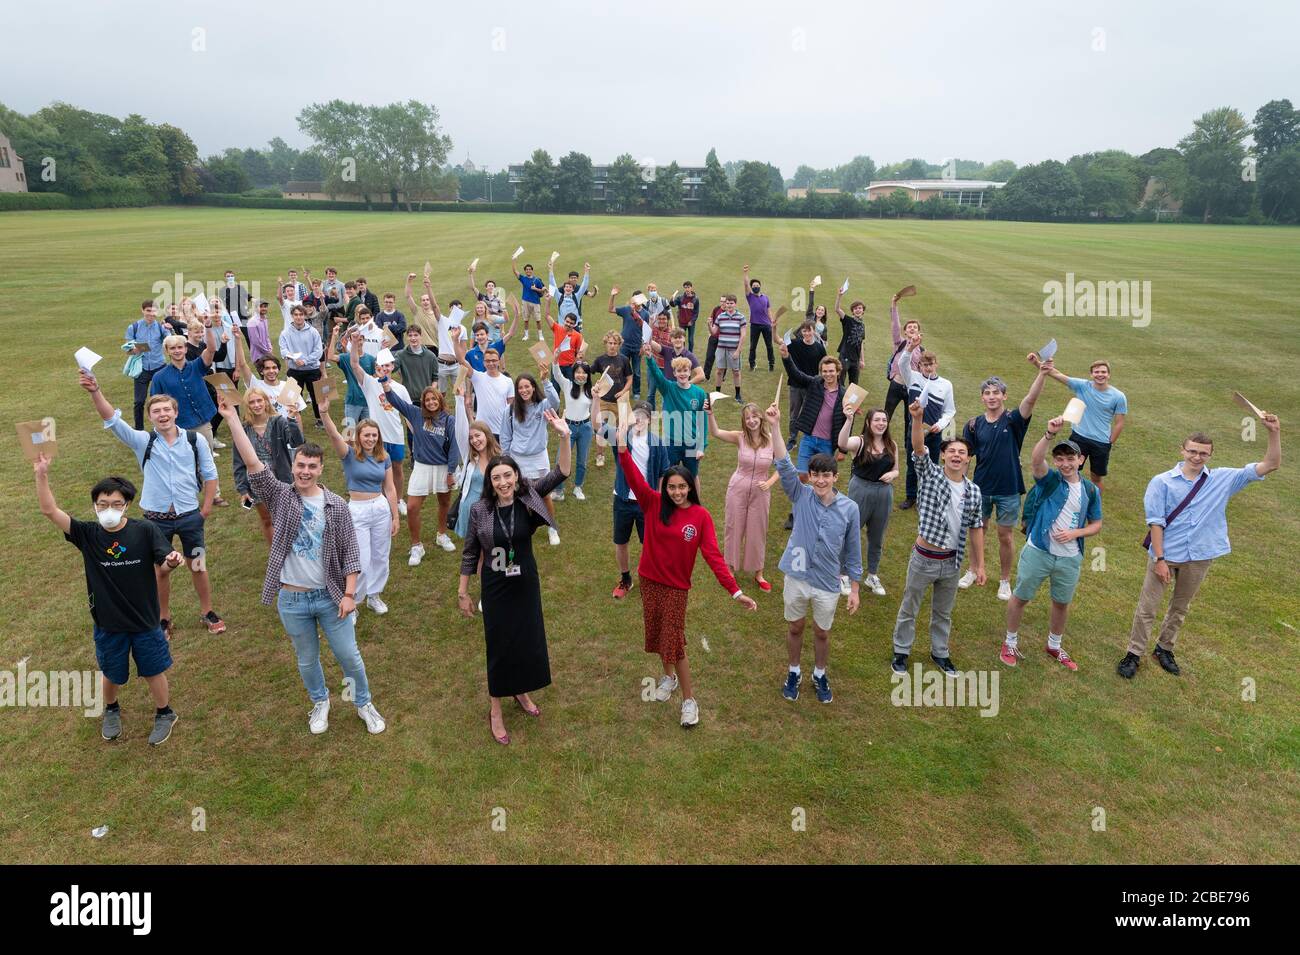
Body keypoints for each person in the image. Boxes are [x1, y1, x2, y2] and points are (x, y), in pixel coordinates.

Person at [216, 396, 386, 736]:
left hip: (331, 598)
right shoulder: (280, 496)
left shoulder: (336, 506)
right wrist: (233, 419)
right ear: (292, 467)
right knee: (307, 660)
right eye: (300, 466)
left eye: (312, 467)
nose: (305, 472)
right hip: (292, 601)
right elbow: (252, 463)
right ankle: (320, 701)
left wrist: (350, 595)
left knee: (348, 657)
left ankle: (362, 703)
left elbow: (351, 554)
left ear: (321, 469)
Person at [1117, 415, 1281, 679]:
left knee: (1180, 608)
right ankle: (1133, 654)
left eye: (1203, 453)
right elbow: (1156, 524)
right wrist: (1159, 559)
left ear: (1210, 454)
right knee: (1148, 607)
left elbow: (1271, 464)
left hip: (1200, 556)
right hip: (1166, 555)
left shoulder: (1224, 479)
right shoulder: (1162, 482)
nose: (1196, 457)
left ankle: (1164, 648)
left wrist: (1273, 432)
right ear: (1182, 451)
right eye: (1192, 451)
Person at [35, 459, 185, 745]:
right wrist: (41, 475)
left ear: (127, 504)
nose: (109, 510)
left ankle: (165, 713)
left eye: (116, 504)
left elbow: (163, 565)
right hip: (108, 622)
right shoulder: (88, 535)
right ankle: (111, 709)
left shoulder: (145, 531)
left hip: (144, 620)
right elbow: (48, 510)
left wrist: (170, 562)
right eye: (102, 504)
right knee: (111, 672)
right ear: (94, 505)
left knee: (154, 669)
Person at [617, 425, 758, 728]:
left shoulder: (700, 516)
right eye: (672, 487)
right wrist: (620, 445)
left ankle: (689, 701)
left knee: (675, 643)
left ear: (691, 487)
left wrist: (735, 591)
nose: (677, 492)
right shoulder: (652, 502)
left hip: (676, 589)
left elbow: (713, 557)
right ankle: (667, 678)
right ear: (665, 488)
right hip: (650, 582)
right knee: (656, 634)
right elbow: (630, 472)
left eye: (683, 487)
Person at [81, 372, 226, 637]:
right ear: (150, 417)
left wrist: (204, 509)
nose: (162, 415)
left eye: (166, 410)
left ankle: (207, 611)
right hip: (155, 520)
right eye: (156, 411)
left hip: (190, 516)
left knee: (198, 565)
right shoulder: (143, 441)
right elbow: (113, 421)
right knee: (161, 570)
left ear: (175, 412)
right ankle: (163, 618)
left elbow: (210, 474)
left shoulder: (196, 440)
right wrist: (95, 392)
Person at [457, 412, 572, 745]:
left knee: (524, 639)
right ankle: (496, 707)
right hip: (495, 585)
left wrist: (563, 436)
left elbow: (561, 472)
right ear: (490, 483)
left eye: (508, 476)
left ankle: (520, 692)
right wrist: (463, 592)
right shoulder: (480, 511)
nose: (503, 482)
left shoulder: (527, 498)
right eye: (497, 479)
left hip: (525, 583)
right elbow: (468, 553)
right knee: (499, 644)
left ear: (516, 476)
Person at [765, 405, 862, 704]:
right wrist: (776, 425)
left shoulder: (850, 509)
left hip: (827, 581)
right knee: (795, 626)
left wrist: (855, 588)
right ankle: (794, 670)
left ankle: (820, 673)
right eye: (816, 475)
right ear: (811, 477)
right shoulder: (801, 494)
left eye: (826, 476)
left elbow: (854, 551)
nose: (820, 481)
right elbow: (783, 462)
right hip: (796, 575)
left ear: (835, 477)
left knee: (822, 633)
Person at [890, 399, 986, 676]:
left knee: (943, 613)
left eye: (962, 452)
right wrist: (918, 419)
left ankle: (940, 653)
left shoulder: (974, 491)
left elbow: (976, 528)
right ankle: (901, 651)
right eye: (951, 451)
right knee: (910, 606)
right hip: (924, 558)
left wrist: (978, 565)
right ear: (943, 455)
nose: (957, 455)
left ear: (968, 459)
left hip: (951, 562)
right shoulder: (930, 476)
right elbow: (919, 449)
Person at [1001, 421, 1103, 671]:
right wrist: (1049, 435)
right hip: (1039, 551)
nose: (1065, 464)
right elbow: (1036, 461)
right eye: (1060, 459)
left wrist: (1075, 533)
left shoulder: (1090, 489)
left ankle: (1054, 645)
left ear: (1080, 460)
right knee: (1021, 596)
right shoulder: (1051, 481)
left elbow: (1096, 523)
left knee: (1061, 602)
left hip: (1070, 557)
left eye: (1070, 458)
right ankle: (1009, 642)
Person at [957, 362, 1052, 599]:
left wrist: (1041, 374)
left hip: (1009, 488)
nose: (991, 397)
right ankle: (972, 569)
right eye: (987, 393)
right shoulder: (973, 424)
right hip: (980, 488)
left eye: (996, 392)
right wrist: (961, 484)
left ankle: (1004, 580)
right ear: (982, 398)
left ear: (1004, 396)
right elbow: (966, 457)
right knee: (977, 529)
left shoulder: (1013, 420)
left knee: (1005, 536)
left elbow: (1030, 400)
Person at [320, 402, 399, 615]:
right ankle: (353, 600)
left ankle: (374, 595)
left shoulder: (384, 457)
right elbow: (335, 436)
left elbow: (390, 488)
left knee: (381, 556)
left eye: (374, 435)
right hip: (357, 511)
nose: (371, 439)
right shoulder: (349, 454)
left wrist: (395, 516)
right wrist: (325, 413)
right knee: (360, 560)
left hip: (381, 508)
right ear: (358, 436)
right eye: (366, 435)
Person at [379, 378, 458, 563]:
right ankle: (416, 546)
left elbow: (454, 446)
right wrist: (386, 386)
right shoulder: (415, 414)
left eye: (434, 399)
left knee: (444, 502)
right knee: (413, 507)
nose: (431, 402)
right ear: (423, 402)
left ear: (440, 400)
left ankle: (442, 534)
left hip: (443, 467)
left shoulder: (448, 420)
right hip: (422, 466)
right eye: (427, 400)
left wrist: (451, 472)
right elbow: (396, 402)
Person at [598, 401, 670, 599]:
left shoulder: (657, 442)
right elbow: (598, 426)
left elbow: (664, 473)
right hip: (622, 499)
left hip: (647, 503)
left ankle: (651, 579)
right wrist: (596, 399)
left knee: (650, 544)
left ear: (649, 420)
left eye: (643, 415)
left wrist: (659, 499)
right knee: (621, 542)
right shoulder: (621, 437)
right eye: (635, 415)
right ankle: (626, 579)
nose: (638, 419)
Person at [708, 399, 779, 593]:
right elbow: (716, 432)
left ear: (761, 417)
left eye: (754, 416)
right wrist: (710, 414)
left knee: (758, 530)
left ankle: (758, 573)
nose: (751, 421)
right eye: (747, 418)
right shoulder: (739, 437)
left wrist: (769, 483)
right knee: (734, 527)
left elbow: (782, 466)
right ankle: (729, 568)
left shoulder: (773, 440)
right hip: (737, 488)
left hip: (761, 492)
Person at [1029, 355, 1128, 491]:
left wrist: (1110, 442)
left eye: (1103, 372)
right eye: (1097, 372)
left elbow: (1119, 422)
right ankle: (1067, 500)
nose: (1100, 375)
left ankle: (1094, 509)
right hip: (1079, 437)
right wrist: (1036, 363)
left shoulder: (1118, 396)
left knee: (1096, 478)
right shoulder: (1082, 386)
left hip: (1101, 443)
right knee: (1069, 472)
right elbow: (1055, 373)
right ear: (1091, 374)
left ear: (1109, 375)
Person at [838, 406, 900, 597]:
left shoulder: (892, 445)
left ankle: (872, 574)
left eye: (884, 420)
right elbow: (841, 444)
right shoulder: (860, 442)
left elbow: (897, 469)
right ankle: (843, 574)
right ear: (868, 422)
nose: (881, 423)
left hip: (884, 494)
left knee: (877, 536)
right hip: (860, 490)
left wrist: (892, 474)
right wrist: (848, 420)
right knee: (851, 532)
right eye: (877, 420)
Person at [233, 387, 305, 545]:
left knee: (289, 516)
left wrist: (292, 420)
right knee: (267, 520)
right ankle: (277, 554)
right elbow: (238, 461)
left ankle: (295, 551)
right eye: (252, 402)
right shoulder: (243, 429)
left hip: (281, 478)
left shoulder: (279, 421)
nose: (257, 405)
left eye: (260, 400)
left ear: (266, 402)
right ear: (248, 406)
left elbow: (297, 443)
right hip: (256, 482)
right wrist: (243, 489)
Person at [348, 331, 410, 515]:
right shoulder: (369, 383)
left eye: (388, 365)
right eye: (381, 365)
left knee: (397, 468)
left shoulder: (400, 388)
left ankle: (398, 499)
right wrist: (353, 343)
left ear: (392, 366)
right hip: (376, 438)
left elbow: (407, 414)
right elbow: (354, 364)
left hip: (396, 435)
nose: (385, 368)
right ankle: (381, 498)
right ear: (376, 367)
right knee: (377, 468)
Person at [500, 366, 562, 544]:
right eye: (520, 388)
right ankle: (522, 529)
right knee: (519, 496)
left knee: (544, 495)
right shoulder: (510, 410)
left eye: (527, 387)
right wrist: (506, 459)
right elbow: (505, 436)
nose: (524, 390)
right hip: (518, 459)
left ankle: (552, 528)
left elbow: (556, 403)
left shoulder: (543, 405)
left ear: (533, 387)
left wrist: (546, 381)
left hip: (539, 457)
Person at [778, 341, 847, 490]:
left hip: (827, 443)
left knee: (823, 480)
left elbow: (848, 422)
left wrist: (842, 449)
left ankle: (820, 508)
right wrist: (786, 357)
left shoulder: (844, 394)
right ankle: (801, 507)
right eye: (825, 371)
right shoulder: (815, 383)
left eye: (831, 371)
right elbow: (796, 375)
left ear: (838, 372)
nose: (828, 374)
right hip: (809, 439)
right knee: (802, 476)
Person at [898, 342, 956, 511]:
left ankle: (926, 497)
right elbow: (902, 363)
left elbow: (950, 410)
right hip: (915, 431)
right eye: (925, 365)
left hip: (934, 432)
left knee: (932, 465)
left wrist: (940, 425)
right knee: (912, 463)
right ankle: (911, 496)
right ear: (919, 365)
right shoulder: (913, 378)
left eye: (931, 364)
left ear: (936, 364)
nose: (928, 368)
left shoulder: (946, 384)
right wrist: (910, 348)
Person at [641, 348, 708, 478]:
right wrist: (649, 358)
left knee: (692, 477)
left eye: (685, 370)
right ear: (674, 373)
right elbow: (657, 375)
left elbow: (703, 421)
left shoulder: (699, 393)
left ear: (690, 372)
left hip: (691, 442)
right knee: (669, 476)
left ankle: (694, 499)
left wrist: (701, 446)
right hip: (671, 442)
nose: (682, 374)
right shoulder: (668, 388)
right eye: (679, 371)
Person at [451, 390, 502, 542]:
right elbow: (460, 431)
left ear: (487, 435)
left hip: (493, 510)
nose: (474, 440)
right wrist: (460, 401)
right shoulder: (470, 456)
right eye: (471, 438)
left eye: (478, 436)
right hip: (470, 510)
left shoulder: (500, 457)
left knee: (492, 553)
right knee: (474, 555)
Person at [456, 333, 516, 443]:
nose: (491, 363)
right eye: (488, 361)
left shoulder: (508, 381)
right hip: (482, 430)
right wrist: (455, 341)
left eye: (494, 360)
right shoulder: (478, 377)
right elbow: (461, 360)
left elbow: (511, 407)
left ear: (498, 361)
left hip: (501, 431)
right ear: (484, 363)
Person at [549, 360, 593, 503]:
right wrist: (555, 360)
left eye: (583, 372)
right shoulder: (567, 385)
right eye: (578, 372)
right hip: (568, 428)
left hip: (586, 428)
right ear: (574, 373)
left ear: (588, 375)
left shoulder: (591, 391)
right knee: (560, 459)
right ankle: (559, 490)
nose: (581, 375)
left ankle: (578, 487)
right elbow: (556, 374)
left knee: (582, 460)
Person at [783, 318, 827, 452]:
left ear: (814, 331)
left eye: (809, 331)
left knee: (811, 413)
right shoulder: (795, 344)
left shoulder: (820, 348)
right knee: (794, 415)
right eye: (804, 331)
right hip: (796, 385)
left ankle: (811, 439)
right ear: (801, 332)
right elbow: (780, 342)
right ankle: (792, 439)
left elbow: (823, 366)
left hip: (811, 386)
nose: (807, 334)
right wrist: (774, 327)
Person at [590, 331, 633, 468]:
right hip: (603, 400)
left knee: (622, 430)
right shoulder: (600, 360)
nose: (612, 346)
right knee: (600, 429)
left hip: (620, 402)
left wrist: (624, 391)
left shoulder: (624, 360)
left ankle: (622, 455)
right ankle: (600, 455)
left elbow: (630, 378)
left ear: (619, 344)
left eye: (615, 343)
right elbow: (588, 372)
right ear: (606, 343)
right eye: (610, 343)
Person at [278, 304, 324, 429]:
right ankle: (293, 419)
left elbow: (318, 351)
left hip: (312, 369)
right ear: (292, 316)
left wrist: (305, 361)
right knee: (292, 396)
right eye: (296, 315)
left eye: (301, 314)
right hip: (294, 370)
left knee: (316, 396)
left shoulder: (313, 332)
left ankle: (320, 419)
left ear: (305, 315)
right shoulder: (285, 333)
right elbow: (283, 350)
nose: (298, 317)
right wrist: (293, 358)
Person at [125, 300, 169, 431]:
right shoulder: (134, 327)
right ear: (142, 310)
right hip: (142, 368)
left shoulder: (161, 327)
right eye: (148, 310)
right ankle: (139, 430)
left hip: (159, 367)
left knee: (161, 401)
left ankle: (164, 427)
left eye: (154, 311)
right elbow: (128, 349)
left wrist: (169, 330)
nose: (151, 314)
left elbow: (169, 341)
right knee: (139, 402)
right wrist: (134, 350)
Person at [883, 293, 923, 425]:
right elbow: (895, 324)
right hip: (896, 385)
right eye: (909, 327)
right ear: (905, 332)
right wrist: (894, 304)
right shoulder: (899, 342)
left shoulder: (922, 351)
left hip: (911, 387)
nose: (912, 328)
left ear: (918, 332)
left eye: (915, 327)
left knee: (909, 419)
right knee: (886, 415)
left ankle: (908, 445)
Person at [608, 287, 648, 399]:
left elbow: (646, 331)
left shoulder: (645, 314)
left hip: (637, 347)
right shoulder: (627, 310)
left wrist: (643, 346)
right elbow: (611, 309)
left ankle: (636, 392)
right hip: (625, 346)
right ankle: (621, 390)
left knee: (636, 371)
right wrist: (613, 295)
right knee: (621, 369)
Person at [710, 293, 747, 401]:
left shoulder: (741, 317)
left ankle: (738, 395)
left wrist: (738, 351)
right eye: (727, 303)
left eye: (731, 303)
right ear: (725, 304)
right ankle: (717, 393)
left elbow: (743, 335)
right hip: (721, 348)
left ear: (735, 304)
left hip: (734, 349)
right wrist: (709, 325)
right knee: (719, 371)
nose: (729, 305)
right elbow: (713, 332)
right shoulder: (720, 317)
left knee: (736, 371)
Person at [542, 290, 586, 381]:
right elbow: (547, 316)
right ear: (564, 321)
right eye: (567, 321)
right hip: (556, 365)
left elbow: (579, 352)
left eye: (571, 323)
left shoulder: (577, 336)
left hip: (570, 367)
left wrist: (576, 364)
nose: (568, 324)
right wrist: (548, 302)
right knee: (555, 389)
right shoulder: (557, 328)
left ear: (574, 325)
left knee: (570, 390)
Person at [393, 323, 439, 400]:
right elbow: (391, 368)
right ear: (407, 338)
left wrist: (429, 394)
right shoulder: (400, 355)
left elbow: (435, 378)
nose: (413, 338)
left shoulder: (431, 356)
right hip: (408, 399)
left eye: (416, 335)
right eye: (410, 335)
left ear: (421, 336)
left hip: (426, 399)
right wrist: (385, 349)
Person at [743, 265, 775, 371]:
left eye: (757, 285)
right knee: (753, 346)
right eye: (754, 285)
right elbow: (746, 284)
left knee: (769, 346)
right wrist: (745, 273)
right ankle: (752, 364)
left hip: (766, 325)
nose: (756, 286)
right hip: (755, 325)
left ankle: (771, 364)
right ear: (752, 288)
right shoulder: (750, 296)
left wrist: (772, 320)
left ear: (760, 286)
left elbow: (769, 310)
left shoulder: (765, 297)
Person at [833, 287, 866, 386]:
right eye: (855, 308)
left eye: (860, 308)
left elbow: (861, 343)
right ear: (852, 311)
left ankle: (851, 402)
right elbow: (837, 309)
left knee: (854, 384)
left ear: (863, 310)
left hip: (855, 359)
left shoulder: (862, 325)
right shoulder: (848, 320)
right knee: (840, 381)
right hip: (845, 357)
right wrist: (839, 296)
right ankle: (839, 400)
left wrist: (862, 360)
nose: (858, 310)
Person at [548, 262, 594, 331]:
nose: (568, 288)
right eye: (566, 287)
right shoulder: (559, 297)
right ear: (563, 289)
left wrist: (587, 271)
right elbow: (552, 283)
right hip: (562, 327)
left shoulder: (577, 296)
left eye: (570, 287)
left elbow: (584, 285)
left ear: (573, 289)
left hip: (574, 327)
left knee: (578, 340)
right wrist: (550, 269)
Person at [512, 259, 546, 341]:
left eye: (530, 269)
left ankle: (540, 335)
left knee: (538, 320)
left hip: (535, 302)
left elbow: (543, 290)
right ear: (525, 271)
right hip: (525, 301)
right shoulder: (523, 278)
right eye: (526, 269)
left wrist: (535, 289)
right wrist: (513, 260)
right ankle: (526, 335)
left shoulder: (537, 280)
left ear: (532, 270)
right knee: (526, 319)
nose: (528, 271)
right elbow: (514, 271)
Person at [670, 282, 702, 352]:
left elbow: (696, 312)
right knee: (682, 339)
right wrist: (671, 299)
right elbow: (673, 304)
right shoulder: (680, 298)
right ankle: (683, 352)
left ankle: (690, 353)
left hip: (691, 323)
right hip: (682, 322)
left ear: (691, 288)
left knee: (690, 340)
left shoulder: (695, 299)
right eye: (685, 287)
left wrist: (692, 321)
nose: (687, 289)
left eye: (688, 287)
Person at [247, 299, 273, 366]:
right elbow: (256, 341)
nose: (264, 308)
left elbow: (267, 336)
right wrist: (267, 352)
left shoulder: (265, 319)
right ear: (256, 308)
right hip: (258, 357)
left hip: (267, 353)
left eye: (265, 306)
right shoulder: (252, 322)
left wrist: (270, 347)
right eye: (261, 306)